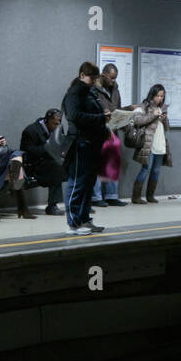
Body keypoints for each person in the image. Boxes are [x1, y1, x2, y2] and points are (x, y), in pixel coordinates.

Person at [62, 61, 108, 234]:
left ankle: (84, 219)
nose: (94, 81)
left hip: (92, 143)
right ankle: (72, 223)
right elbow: (74, 115)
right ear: (82, 75)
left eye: (96, 78)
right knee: (77, 183)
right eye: (92, 77)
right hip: (80, 143)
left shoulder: (89, 92)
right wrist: (100, 118)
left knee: (88, 183)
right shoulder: (74, 93)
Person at [91, 63, 128, 207]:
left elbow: (117, 108)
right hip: (99, 130)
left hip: (112, 131)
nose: (113, 81)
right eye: (111, 78)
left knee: (112, 163)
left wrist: (128, 111)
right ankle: (96, 197)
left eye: (115, 78)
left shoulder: (115, 90)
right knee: (97, 164)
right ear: (103, 75)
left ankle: (112, 196)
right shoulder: (94, 89)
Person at [129, 84, 171, 205]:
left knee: (156, 170)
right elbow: (137, 120)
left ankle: (150, 195)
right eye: (158, 95)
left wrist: (164, 119)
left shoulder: (163, 108)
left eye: (162, 96)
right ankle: (136, 196)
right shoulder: (143, 106)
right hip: (148, 143)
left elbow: (167, 128)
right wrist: (154, 115)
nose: (160, 98)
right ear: (152, 95)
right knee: (146, 169)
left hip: (160, 142)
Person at [19, 109, 65, 217]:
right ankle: (52, 205)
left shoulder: (58, 129)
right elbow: (28, 152)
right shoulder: (31, 130)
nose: (57, 126)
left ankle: (79, 202)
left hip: (50, 162)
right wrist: (48, 148)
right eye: (54, 123)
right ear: (46, 120)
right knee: (57, 168)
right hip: (34, 165)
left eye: (59, 123)